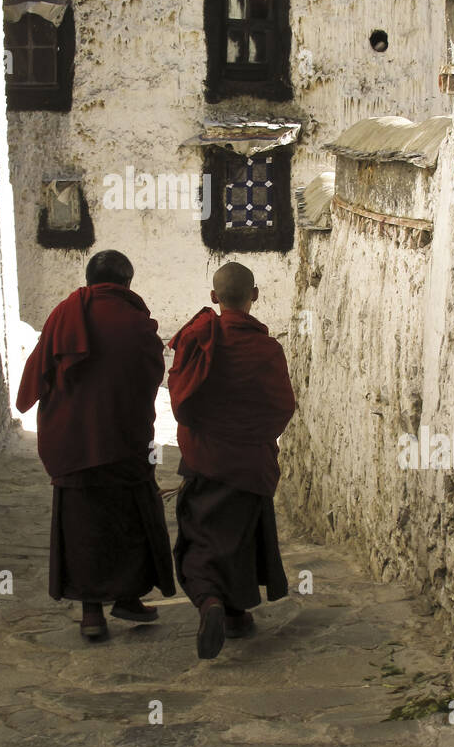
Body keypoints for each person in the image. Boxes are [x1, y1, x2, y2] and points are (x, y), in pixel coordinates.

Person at [16, 249, 175, 640]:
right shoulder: (137, 322)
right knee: (131, 515)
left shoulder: (64, 314)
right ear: (126, 283)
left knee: (83, 523)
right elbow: (153, 373)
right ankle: (129, 597)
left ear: (90, 280)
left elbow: (37, 370)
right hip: (123, 437)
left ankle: (92, 614)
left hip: (72, 440)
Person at [168, 261, 296, 659]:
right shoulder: (266, 349)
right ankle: (237, 614)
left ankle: (211, 603)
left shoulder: (196, 339)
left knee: (203, 538)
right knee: (241, 538)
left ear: (213, 297)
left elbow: (180, 399)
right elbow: (282, 407)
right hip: (248, 462)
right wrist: (255, 436)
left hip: (204, 456)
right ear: (254, 296)